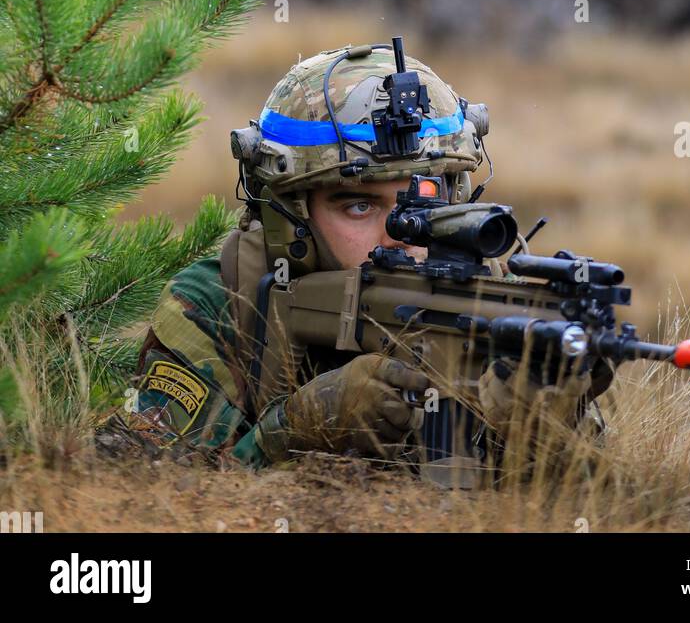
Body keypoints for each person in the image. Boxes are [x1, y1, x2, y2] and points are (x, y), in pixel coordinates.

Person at [121, 43, 611, 470]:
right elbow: (144, 487)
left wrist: (539, 434)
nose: (402, 234)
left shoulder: (493, 306)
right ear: (294, 218)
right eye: (359, 205)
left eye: (426, 201)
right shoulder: (223, 302)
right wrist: (293, 431)